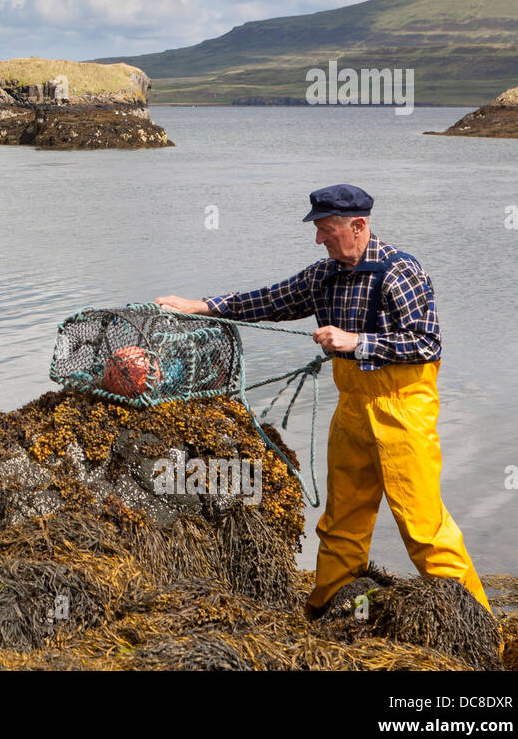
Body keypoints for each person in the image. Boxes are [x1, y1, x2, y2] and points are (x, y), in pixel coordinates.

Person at [154, 183, 492, 618]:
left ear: (359, 225)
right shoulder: (324, 275)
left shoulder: (398, 271)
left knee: (424, 528)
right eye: (317, 228)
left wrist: (356, 341)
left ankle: (475, 621)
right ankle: (328, 608)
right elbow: (269, 300)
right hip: (351, 410)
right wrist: (200, 306)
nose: (319, 238)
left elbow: (426, 343)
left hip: (404, 412)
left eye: (327, 228)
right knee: (341, 522)